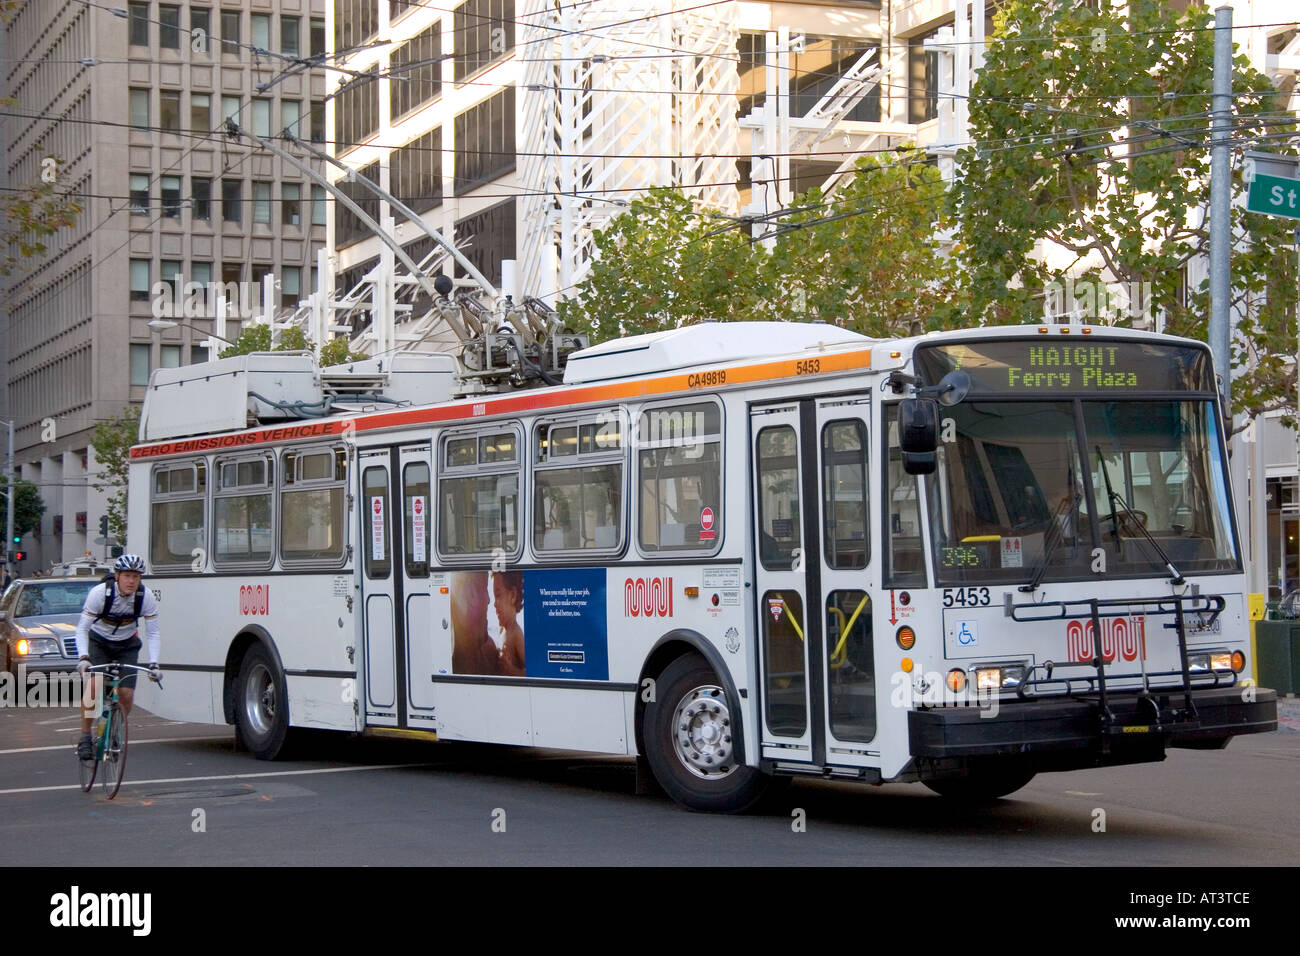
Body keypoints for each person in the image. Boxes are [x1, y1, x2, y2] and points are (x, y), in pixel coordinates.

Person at [75, 554, 161, 760]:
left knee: (126, 693)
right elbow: (82, 629)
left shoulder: (145, 596)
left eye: (136, 576)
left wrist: (154, 663)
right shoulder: (99, 594)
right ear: (117, 576)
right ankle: (85, 736)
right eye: (127, 576)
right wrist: (83, 657)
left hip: (127, 644)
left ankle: (115, 732)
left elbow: (153, 632)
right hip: (99, 642)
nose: (131, 581)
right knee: (95, 685)